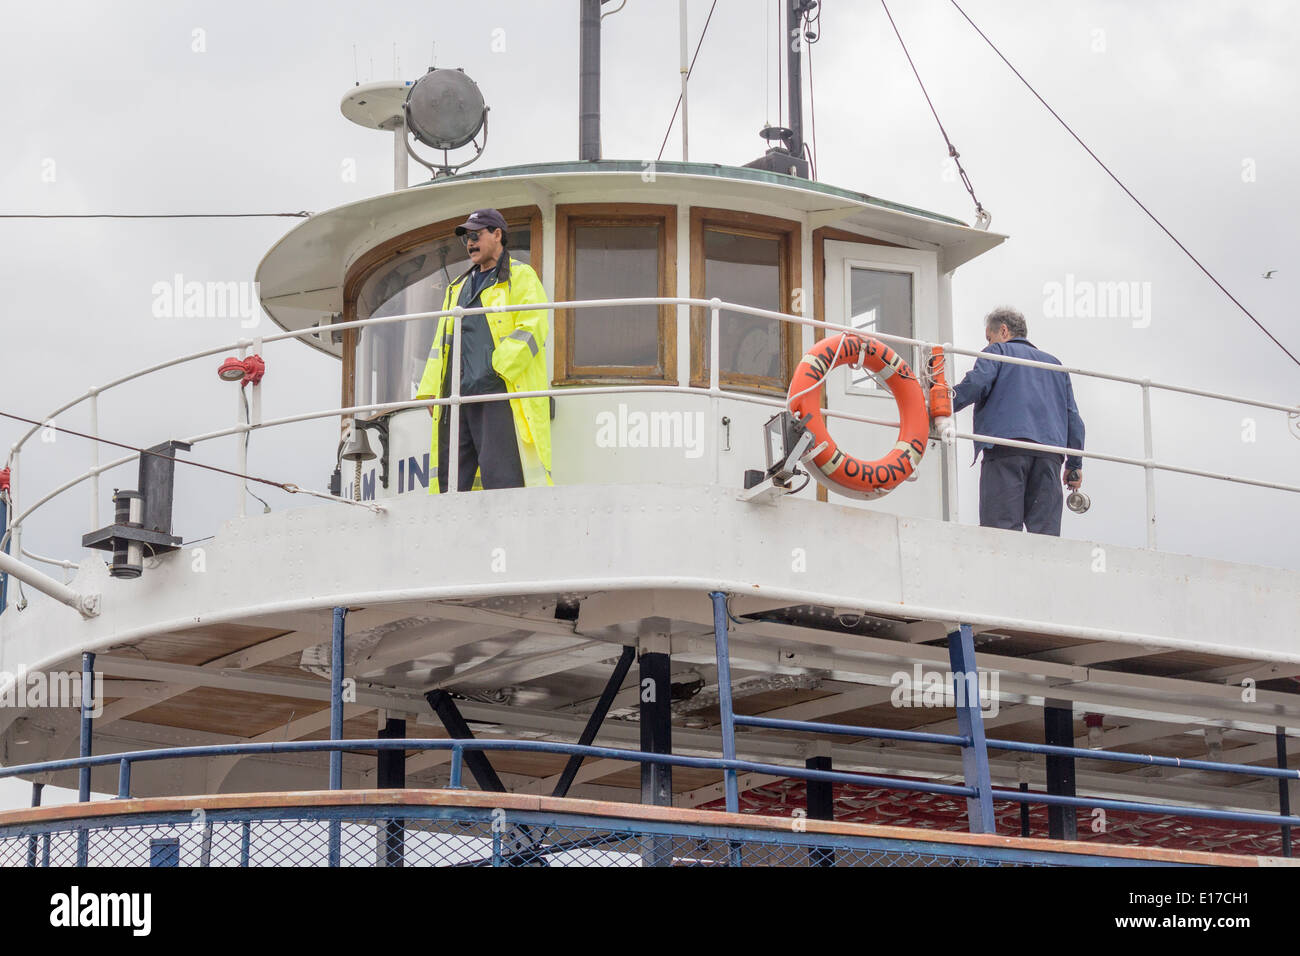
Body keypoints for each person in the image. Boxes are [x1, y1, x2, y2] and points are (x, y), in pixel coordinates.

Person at [415, 209, 553, 493]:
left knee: (501, 472)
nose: (470, 243)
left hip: (498, 391)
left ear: (497, 235)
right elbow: (440, 344)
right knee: (451, 475)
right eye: (466, 238)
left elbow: (534, 325)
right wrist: (431, 390)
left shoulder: (520, 276)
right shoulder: (457, 287)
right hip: (457, 396)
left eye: (476, 235)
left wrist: (497, 369)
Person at [951, 307, 1085, 536]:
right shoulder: (1055, 365)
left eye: (989, 336)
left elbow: (976, 385)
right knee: (1045, 538)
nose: (988, 341)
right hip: (1049, 456)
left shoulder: (998, 351)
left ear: (1003, 330)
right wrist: (1074, 465)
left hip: (1006, 451)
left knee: (1001, 532)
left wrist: (940, 404)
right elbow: (1074, 419)